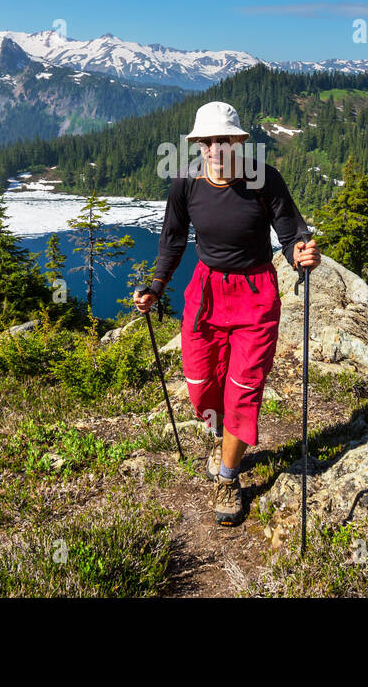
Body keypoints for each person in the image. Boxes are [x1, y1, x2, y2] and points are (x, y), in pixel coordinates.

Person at [133, 101, 320, 526]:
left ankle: (228, 476)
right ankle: (220, 437)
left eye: (225, 140)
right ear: (199, 144)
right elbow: (173, 240)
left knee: (243, 388)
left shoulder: (263, 178)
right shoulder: (186, 183)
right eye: (208, 140)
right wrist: (157, 287)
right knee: (201, 386)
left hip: (254, 293)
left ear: (239, 141)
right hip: (206, 291)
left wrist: (301, 253)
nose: (216, 148)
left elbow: (291, 232)